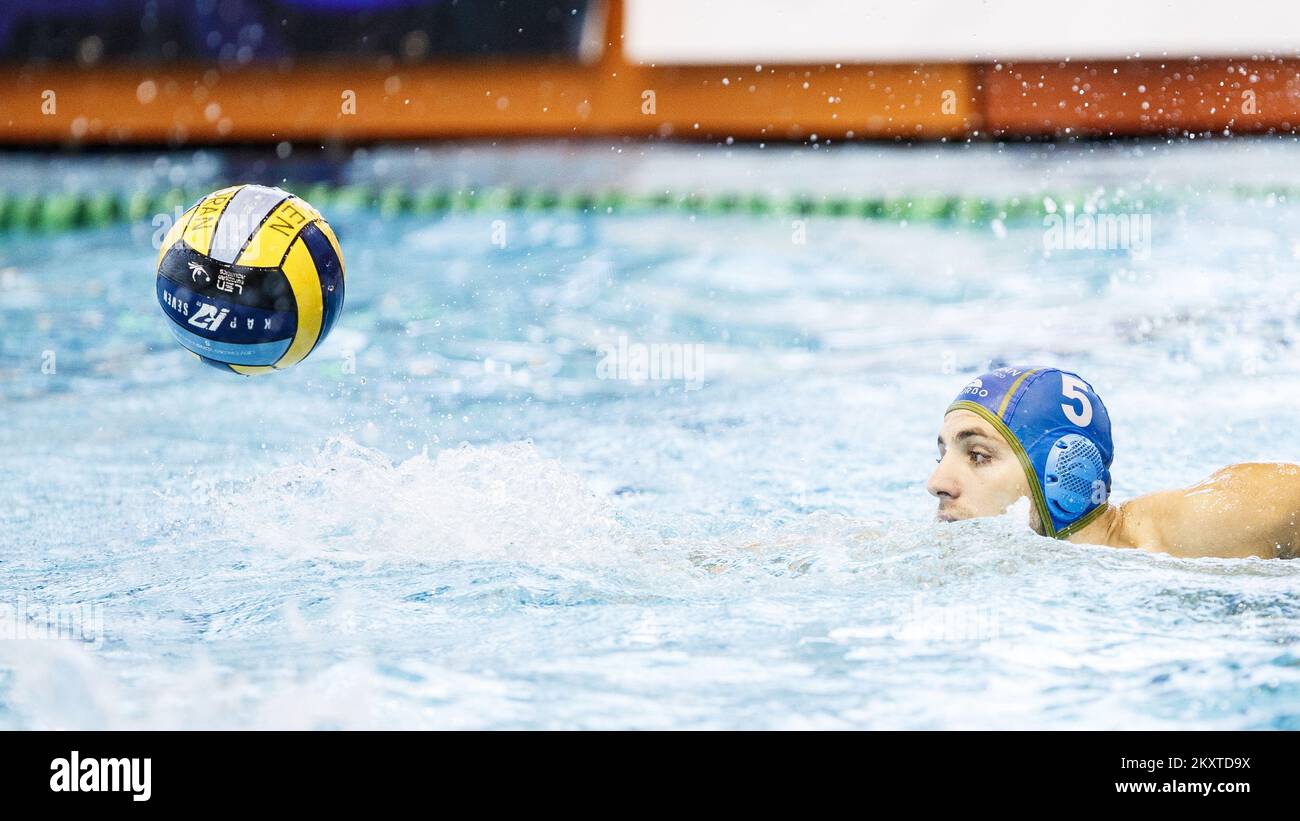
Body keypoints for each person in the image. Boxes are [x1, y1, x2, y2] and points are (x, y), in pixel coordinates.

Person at [927, 366, 1298, 559]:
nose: (937, 482)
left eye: (978, 456)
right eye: (943, 455)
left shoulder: (1192, 528)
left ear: (1063, 471)